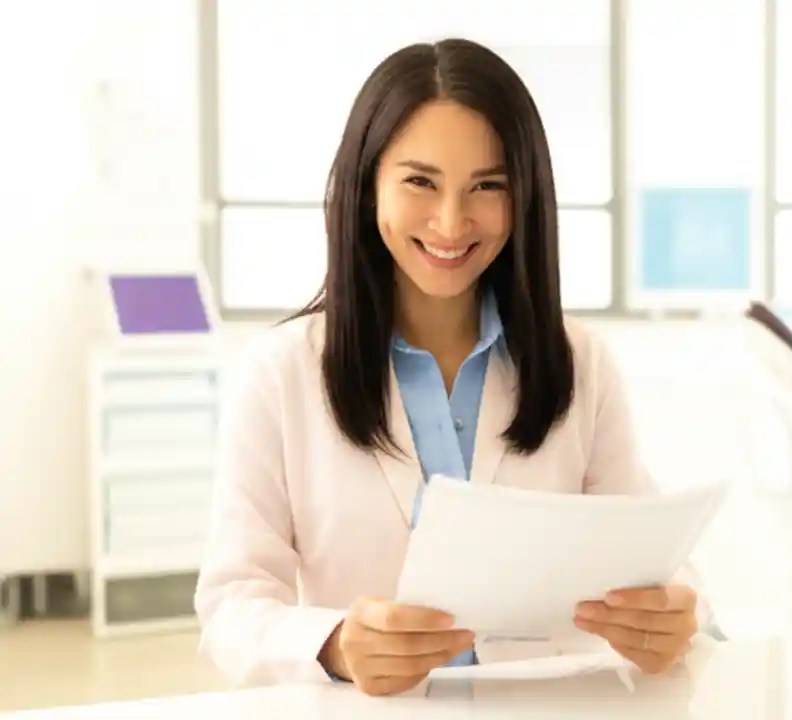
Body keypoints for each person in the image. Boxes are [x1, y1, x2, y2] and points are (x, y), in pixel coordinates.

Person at [194, 39, 705, 697]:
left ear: (524, 197)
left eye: (486, 186)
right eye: (420, 182)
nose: (450, 221)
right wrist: (334, 645)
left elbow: (654, 556)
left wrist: (674, 612)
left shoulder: (581, 363)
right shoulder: (279, 374)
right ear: (367, 184)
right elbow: (231, 604)